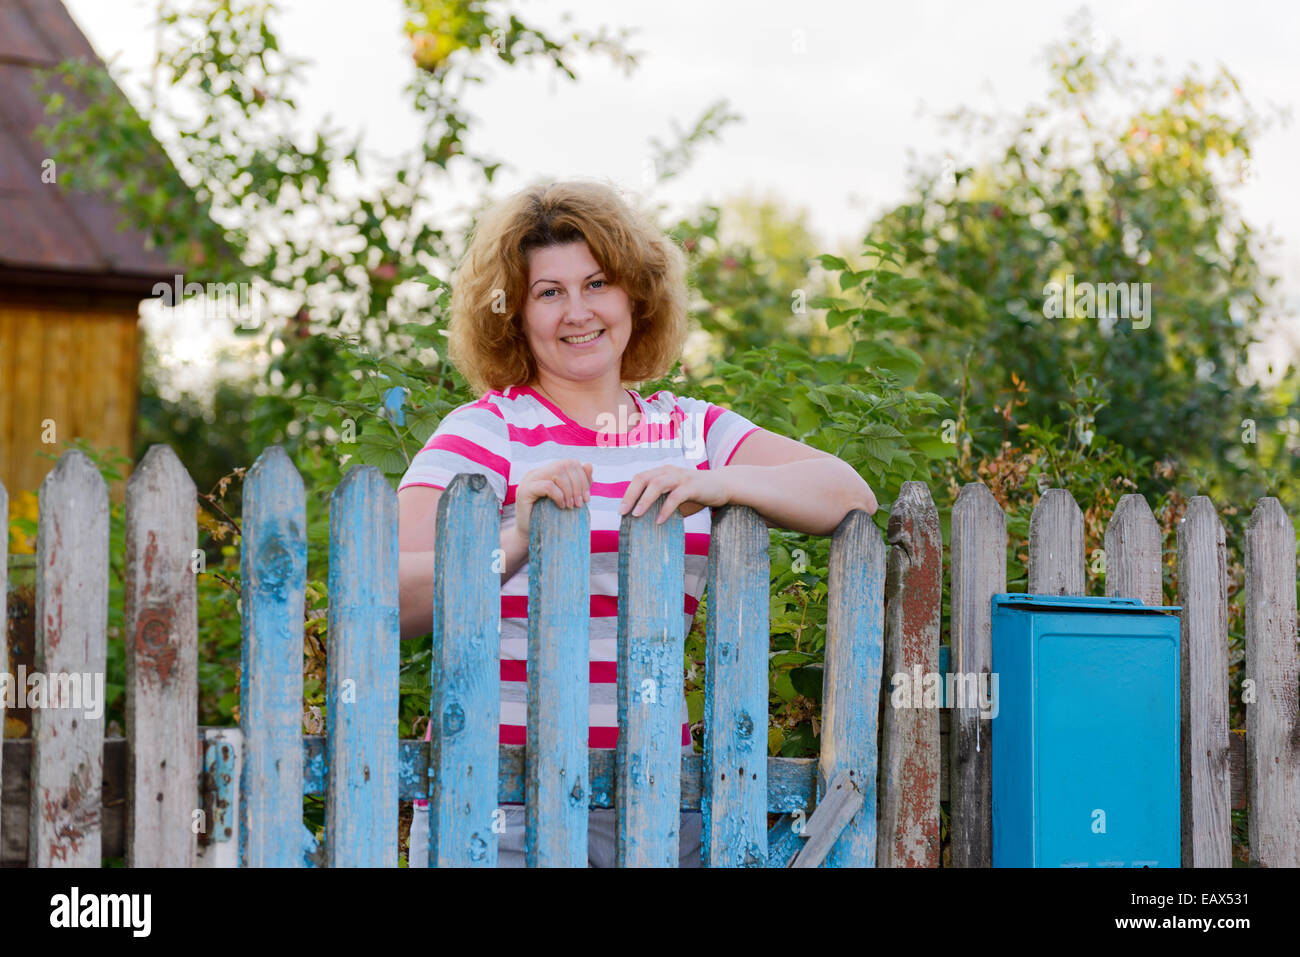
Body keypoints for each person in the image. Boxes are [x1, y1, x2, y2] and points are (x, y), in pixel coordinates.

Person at [398, 179, 877, 867]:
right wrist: (513, 543)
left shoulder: (691, 428)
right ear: (514, 312)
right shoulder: (485, 430)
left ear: (636, 296)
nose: (578, 311)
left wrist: (716, 480)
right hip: (496, 800)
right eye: (548, 291)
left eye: (598, 283)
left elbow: (847, 492)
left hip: (652, 798)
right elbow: (389, 593)